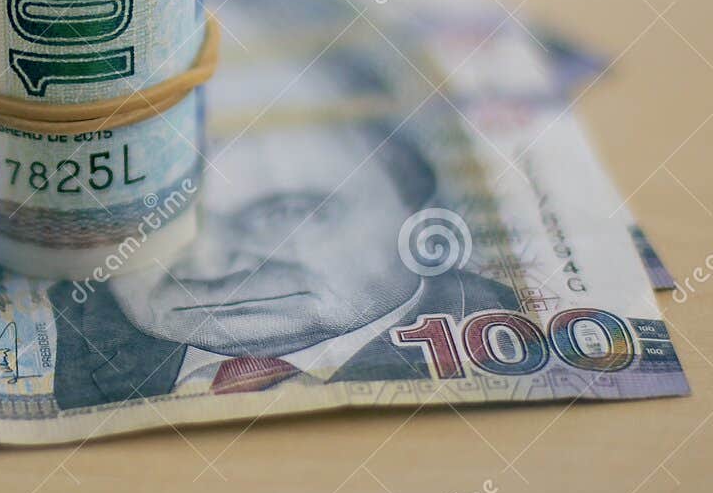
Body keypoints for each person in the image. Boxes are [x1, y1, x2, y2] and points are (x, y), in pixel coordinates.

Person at [50, 118, 518, 410]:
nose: (212, 263)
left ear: (418, 217)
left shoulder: (500, 352)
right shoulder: (68, 349)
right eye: (159, 223)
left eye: (286, 214)